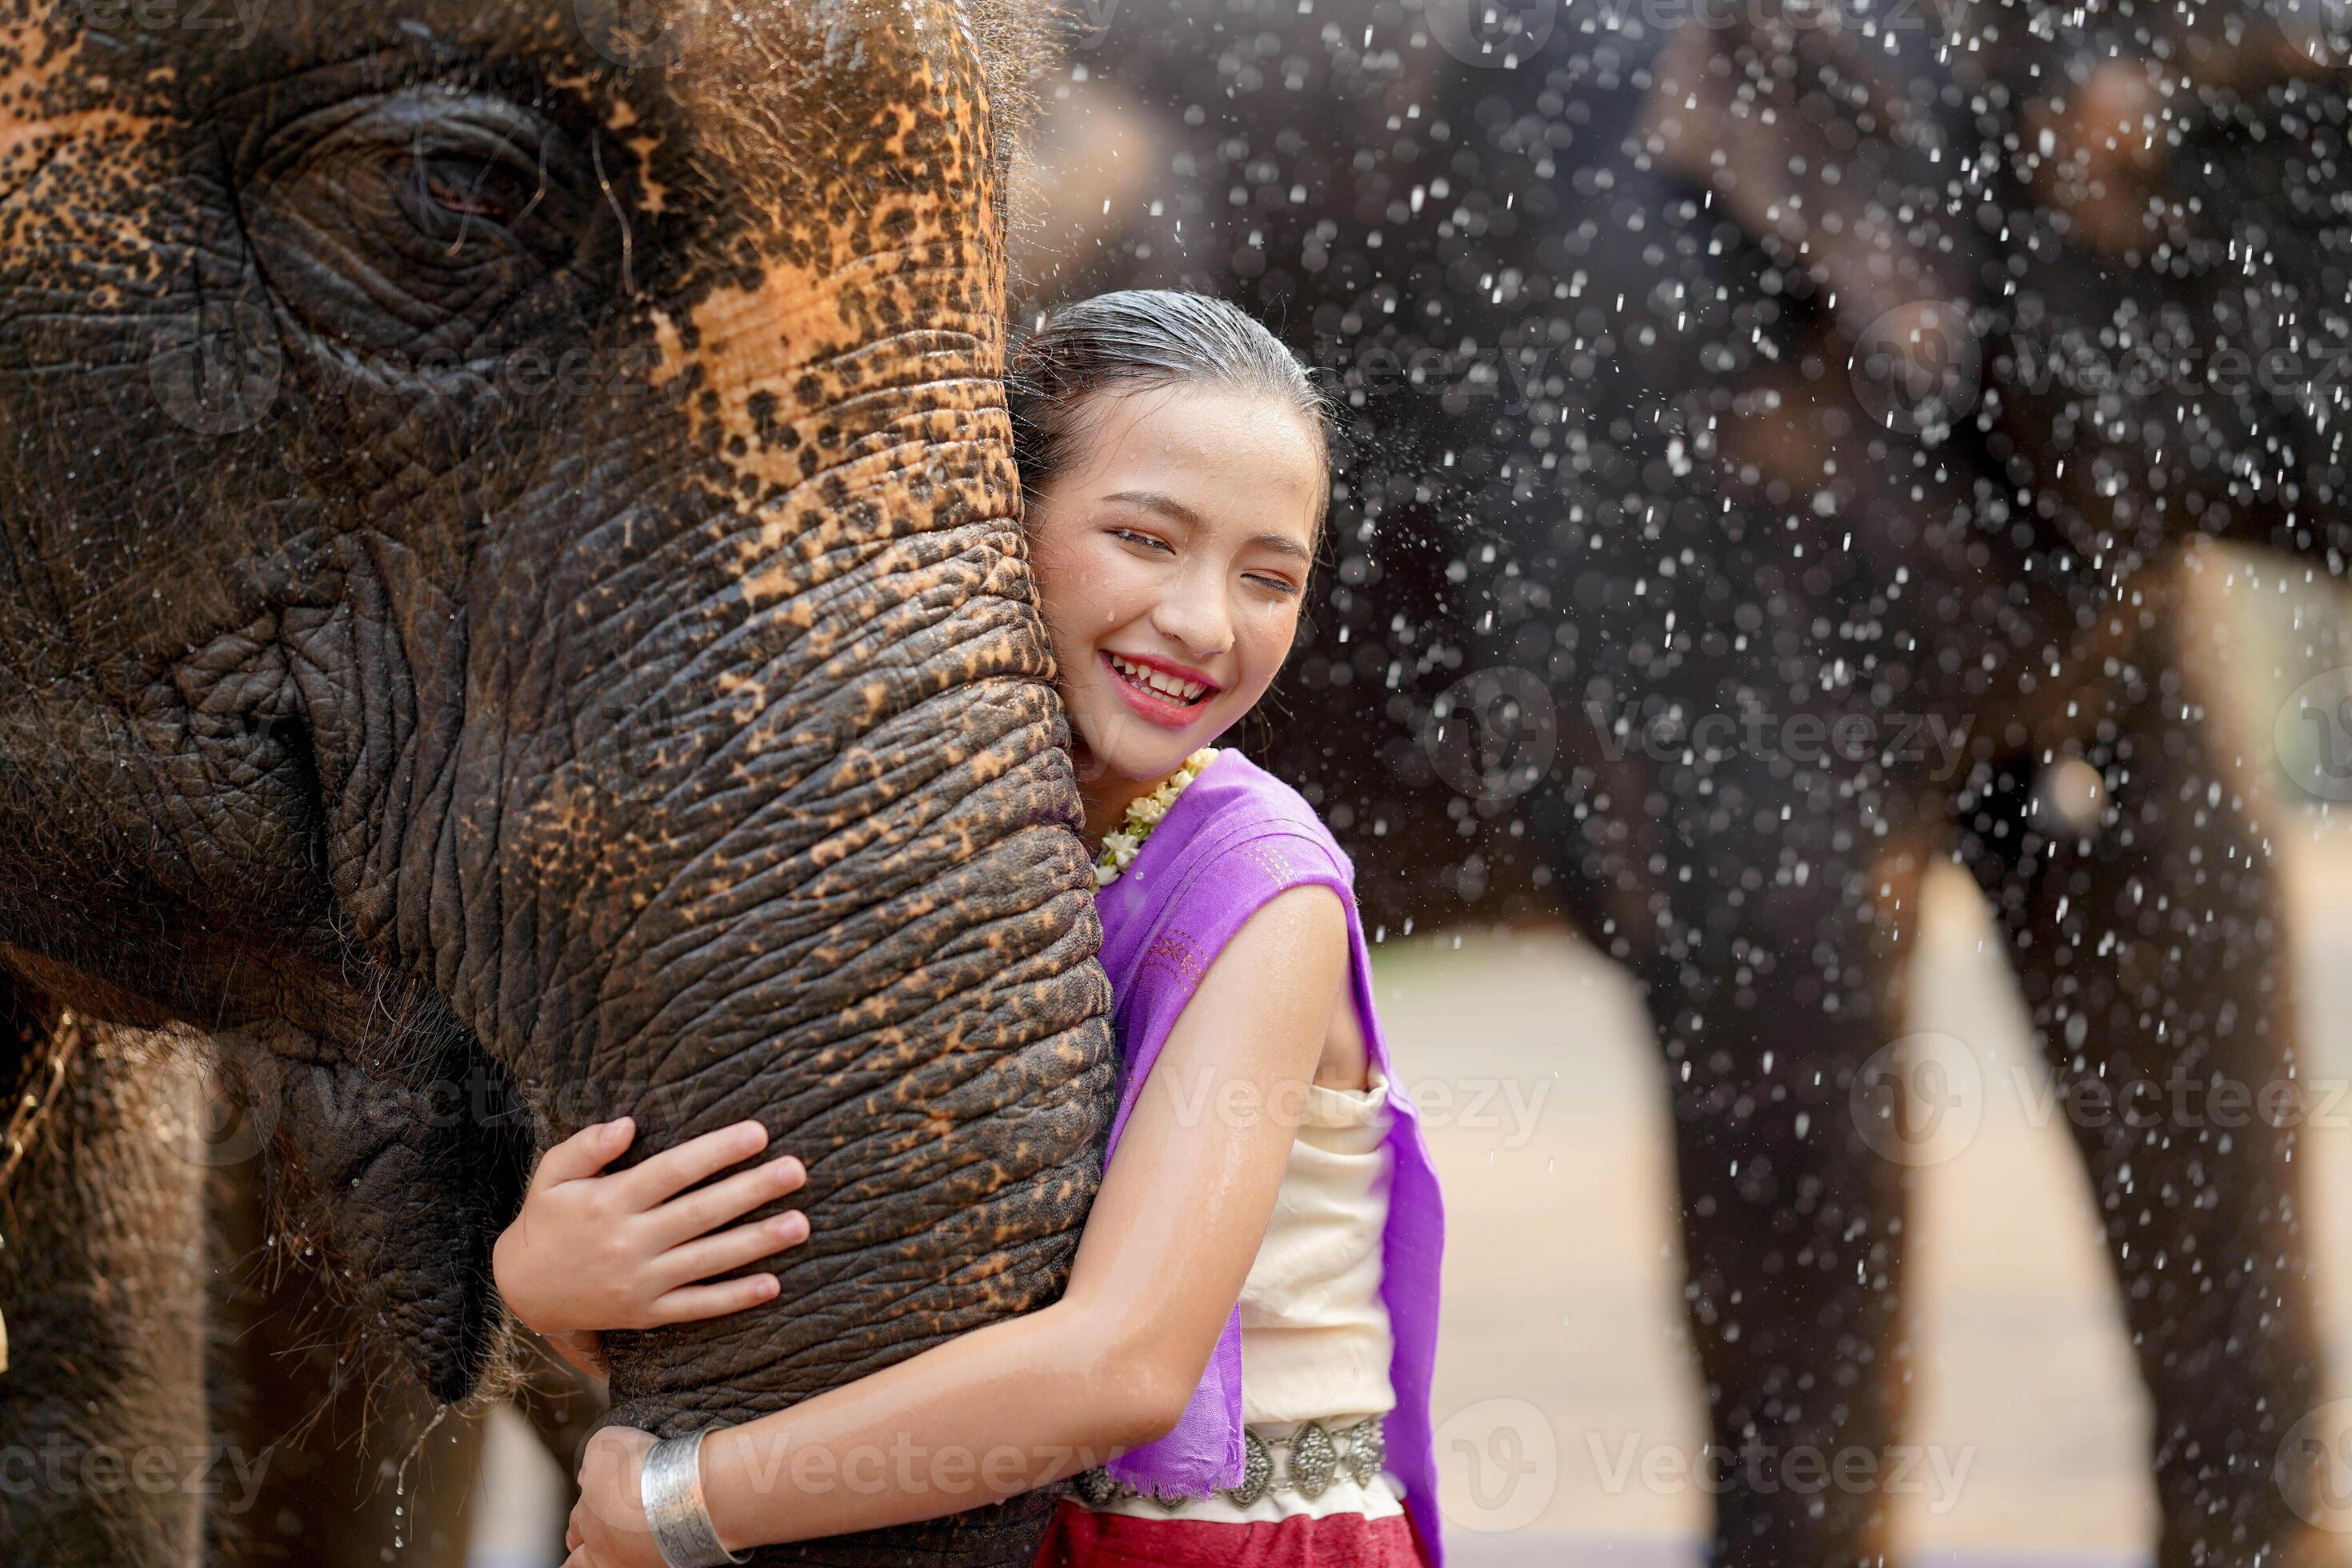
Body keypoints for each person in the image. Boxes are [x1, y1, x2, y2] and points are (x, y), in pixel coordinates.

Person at [493, 290, 1446, 1568]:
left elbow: (1124, 1367)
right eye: (1147, 541)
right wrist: (548, 1287)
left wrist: (682, 1504)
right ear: (994, 519)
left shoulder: (1263, 891)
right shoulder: (901, 847)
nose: (1207, 623)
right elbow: (824, 1278)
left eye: (1268, 576)